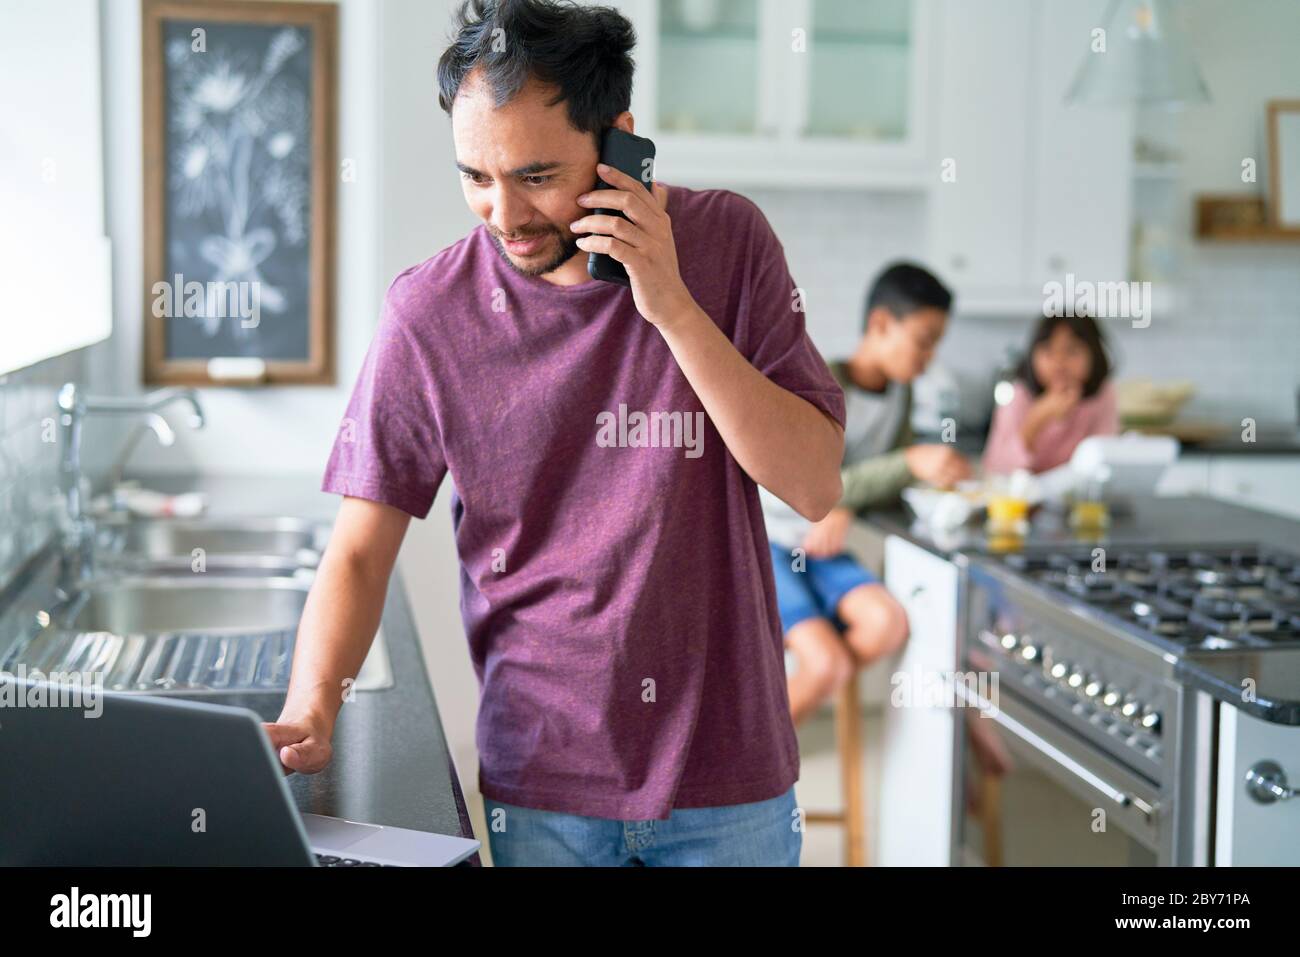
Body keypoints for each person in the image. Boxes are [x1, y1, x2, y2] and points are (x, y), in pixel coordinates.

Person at [263, 0, 847, 867]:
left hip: (731, 773)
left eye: (536, 175)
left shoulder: (728, 243)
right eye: (475, 176)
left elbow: (813, 483)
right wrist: (314, 705)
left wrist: (673, 307)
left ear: (618, 142)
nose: (502, 213)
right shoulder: (429, 313)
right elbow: (358, 549)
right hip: (544, 778)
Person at [762, 263, 972, 726]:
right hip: (772, 546)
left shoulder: (903, 396)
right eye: (924, 339)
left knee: (887, 624)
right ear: (880, 324)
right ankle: (752, 752)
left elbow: (867, 484)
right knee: (827, 663)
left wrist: (849, 503)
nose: (928, 357)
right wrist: (908, 463)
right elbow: (802, 484)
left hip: (824, 550)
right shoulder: (822, 382)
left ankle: (787, 704)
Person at [982, 313, 1119, 475]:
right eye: (1048, 350)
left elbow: (1105, 461)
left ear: (1094, 355)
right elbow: (996, 467)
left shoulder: (1102, 396)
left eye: (1072, 350)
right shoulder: (1019, 396)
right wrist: (1037, 418)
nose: (1059, 362)